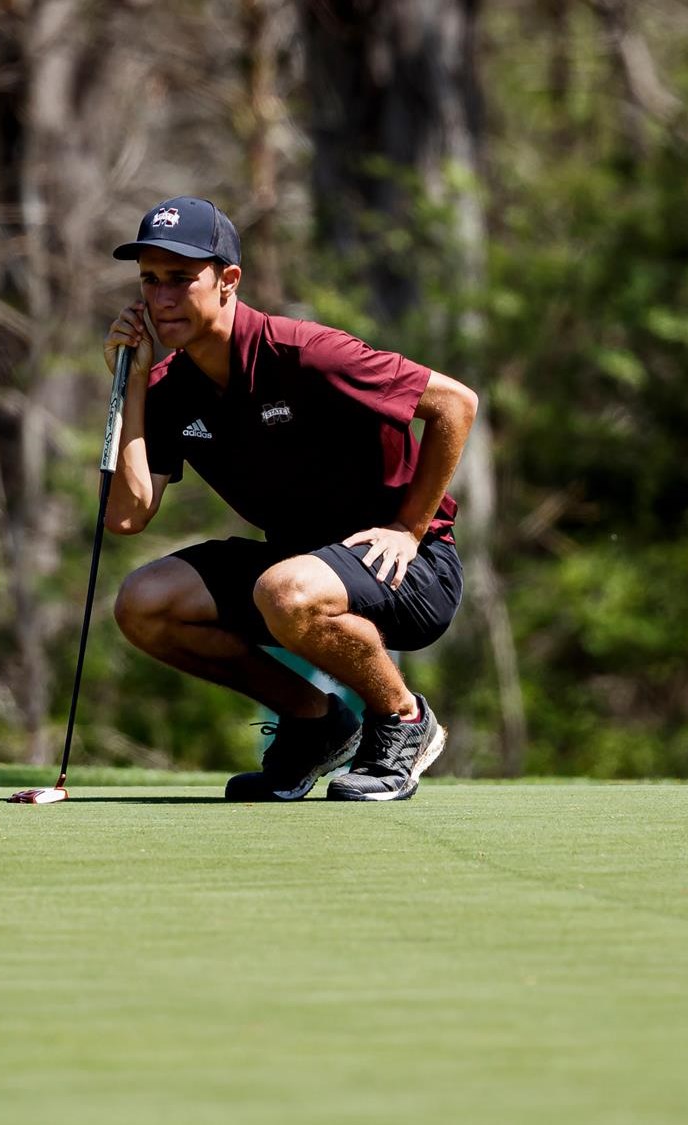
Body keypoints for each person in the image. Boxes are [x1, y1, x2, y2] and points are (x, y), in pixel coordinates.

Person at [101, 196, 478, 802]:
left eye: (180, 279)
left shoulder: (304, 353)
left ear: (228, 281)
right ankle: (316, 724)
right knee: (143, 603)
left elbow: (455, 404)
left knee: (285, 591)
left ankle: (404, 719)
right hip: (293, 575)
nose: (161, 297)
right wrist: (133, 388)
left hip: (408, 566)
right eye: (149, 280)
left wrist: (410, 528)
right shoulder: (170, 390)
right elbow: (126, 515)